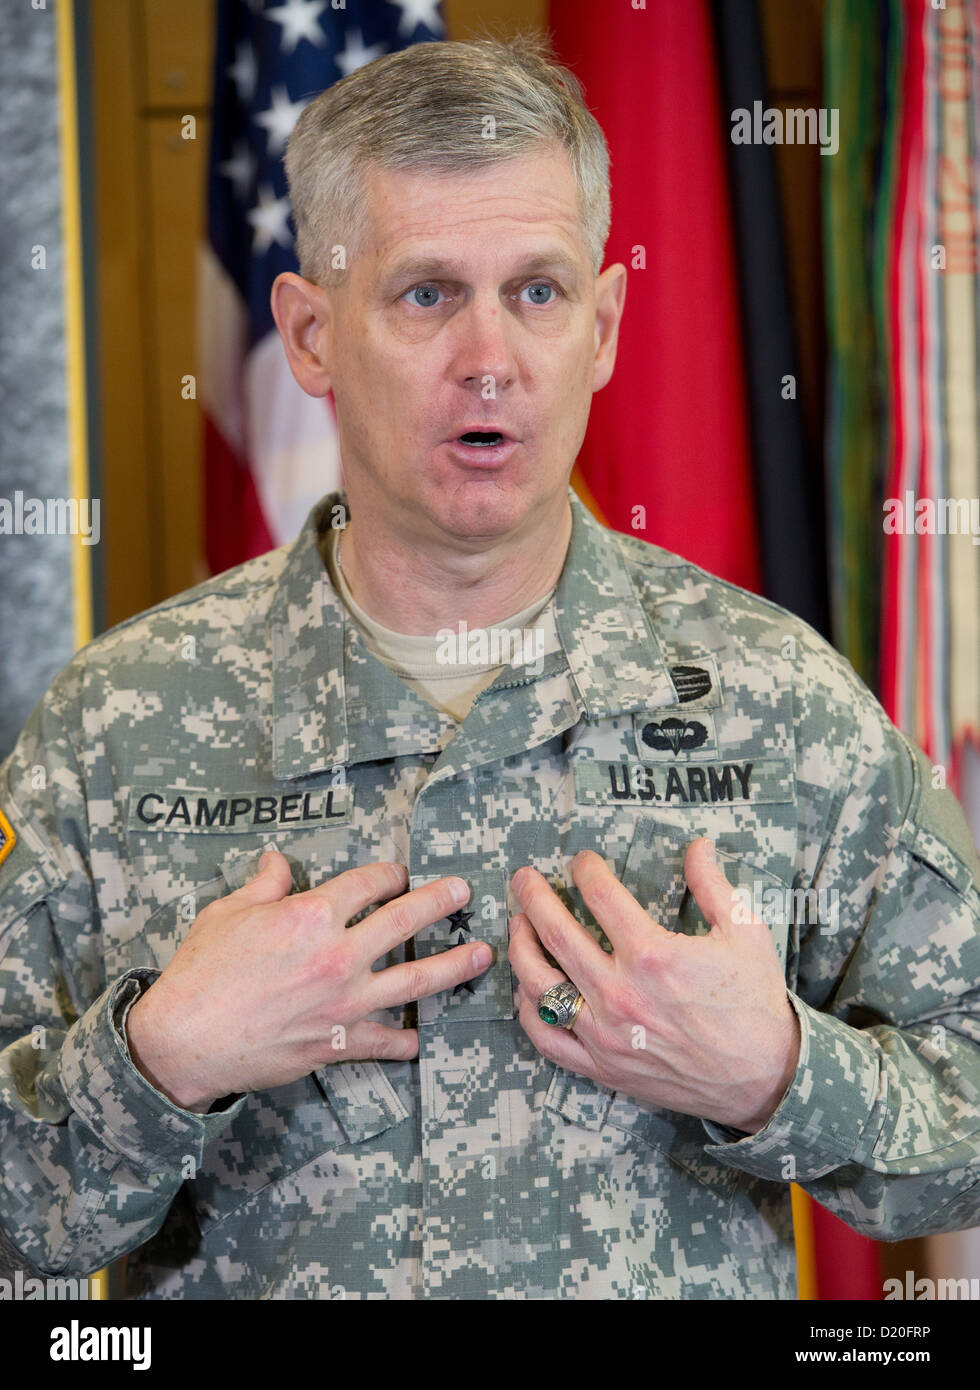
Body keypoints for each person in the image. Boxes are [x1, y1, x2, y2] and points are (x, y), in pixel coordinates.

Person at [1, 34, 978, 1301]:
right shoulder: (115, 727)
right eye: (424, 295)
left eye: (536, 291)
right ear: (307, 334)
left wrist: (780, 1073)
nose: (489, 359)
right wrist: (160, 1056)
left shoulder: (778, 701)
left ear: (605, 325)